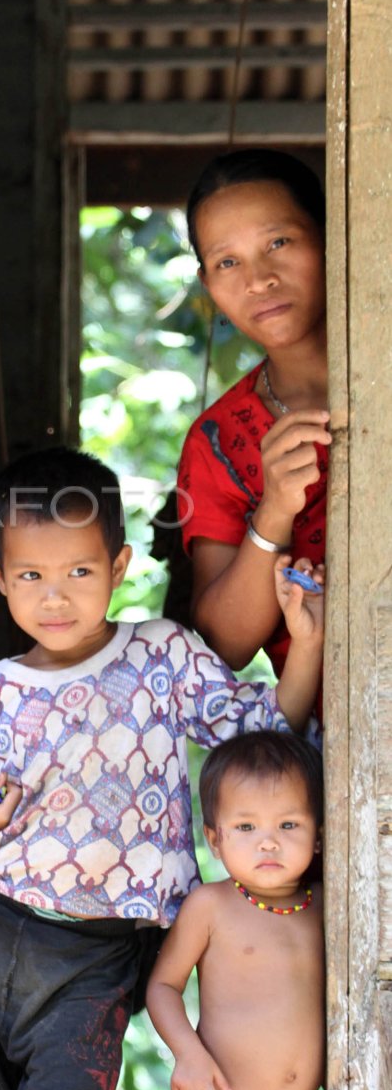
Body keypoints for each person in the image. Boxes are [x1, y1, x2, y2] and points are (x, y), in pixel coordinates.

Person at [0, 447, 324, 1090]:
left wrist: (308, 646)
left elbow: (260, 728)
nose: (54, 596)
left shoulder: (162, 655)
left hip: (101, 951)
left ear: (118, 566)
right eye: (30, 574)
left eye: (80, 570)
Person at [177, 149, 330, 688]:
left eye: (279, 243)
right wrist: (275, 511)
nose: (258, 279)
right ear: (207, 283)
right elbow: (227, 645)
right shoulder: (217, 441)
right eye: (227, 262)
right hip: (344, 737)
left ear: (331, 233)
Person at [146, 731, 324, 1090]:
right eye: (246, 827)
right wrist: (188, 1054)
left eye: (288, 824)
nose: (268, 842)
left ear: (320, 836)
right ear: (215, 839)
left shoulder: (327, 907)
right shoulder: (211, 906)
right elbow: (163, 986)